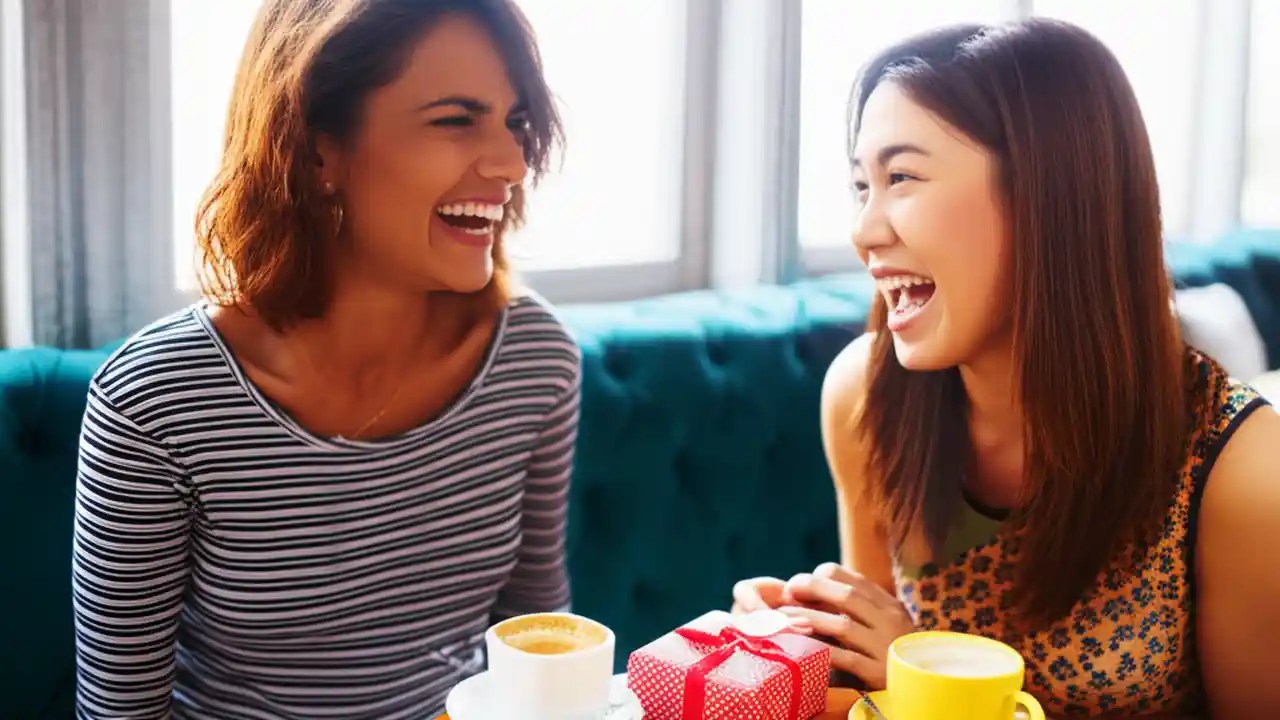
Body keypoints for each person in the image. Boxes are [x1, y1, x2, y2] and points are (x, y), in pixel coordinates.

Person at [732, 19, 1279, 719]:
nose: (864, 230)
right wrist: (795, 645)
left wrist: (931, 686)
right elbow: (875, 700)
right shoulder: (865, 397)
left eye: (901, 177)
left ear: (1050, 196)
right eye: (860, 186)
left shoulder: (1241, 469)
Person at [72, 1, 579, 717]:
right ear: (317, 151)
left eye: (515, 121)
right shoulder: (157, 398)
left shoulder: (535, 359)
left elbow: (537, 647)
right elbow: (121, 710)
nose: (512, 162)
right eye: (455, 118)